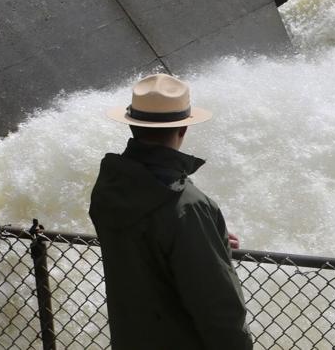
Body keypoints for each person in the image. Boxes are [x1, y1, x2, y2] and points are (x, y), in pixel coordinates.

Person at [89, 73, 252, 349]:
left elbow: (147, 244)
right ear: (183, 130)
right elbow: (219, 309)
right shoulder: (188, 206)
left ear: (133, 126)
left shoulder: (110, 188)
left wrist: (210, 239)